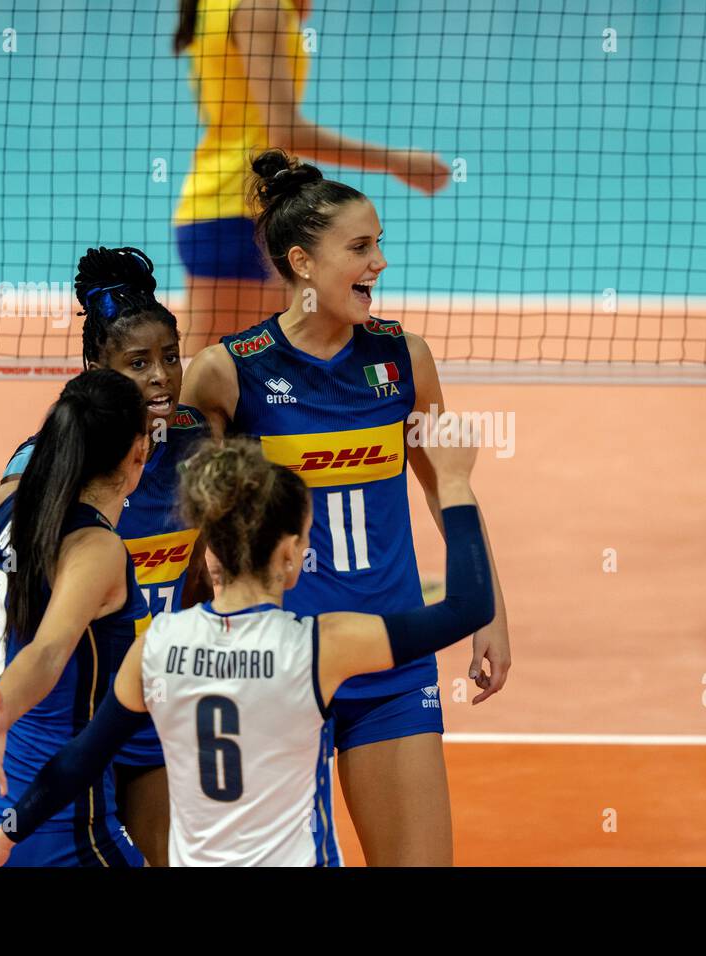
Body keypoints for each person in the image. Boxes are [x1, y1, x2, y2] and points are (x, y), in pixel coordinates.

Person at [182, 149, 511, 867]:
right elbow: (183, 521)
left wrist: (489, 614)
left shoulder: (402, 360)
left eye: (380, 244)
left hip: (392, 653)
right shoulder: (226, 372)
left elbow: (445, 486)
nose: (380, 264)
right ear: (302, 262)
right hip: (276, 661)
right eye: (361, 248)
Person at [0, 427, 494, 866]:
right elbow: (469, 608)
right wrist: (453, 483)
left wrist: (0, 840)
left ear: (210, 556)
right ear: (288, 557)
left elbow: (78, 760)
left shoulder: (158, 649)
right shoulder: (319, 647)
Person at [0, 247, 212, 866]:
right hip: (65, 721)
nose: (162, 376)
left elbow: (206, 570)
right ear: (96, 372)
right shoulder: (46, 469)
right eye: (138, 364)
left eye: (171, 357)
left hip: (147, 716)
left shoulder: (200, 441)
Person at [0, 359, 150, 866]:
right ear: (138, 451)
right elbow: (48, 651)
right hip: (48, 830)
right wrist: (4, 710)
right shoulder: (96, 548)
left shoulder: (10, 505)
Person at [172, 0, 451, 353]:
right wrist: (397, 161)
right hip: (242, 207)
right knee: (222, 377)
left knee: (238, 371)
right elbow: (286, 132)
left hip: (224, 203)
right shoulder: (260, 8)